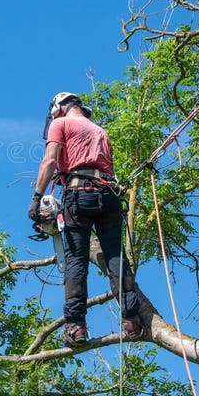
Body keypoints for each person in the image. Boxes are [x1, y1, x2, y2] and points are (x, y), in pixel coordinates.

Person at [28, 91, 143, 347]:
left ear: (59, 108)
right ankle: (132, 320)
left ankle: (75, 328)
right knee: (116, 257)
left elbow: (50, 161)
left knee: (76, 261)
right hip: (108, 195)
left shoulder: (61, 123)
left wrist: (37, 197)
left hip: (79, 196)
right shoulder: (100, 131)